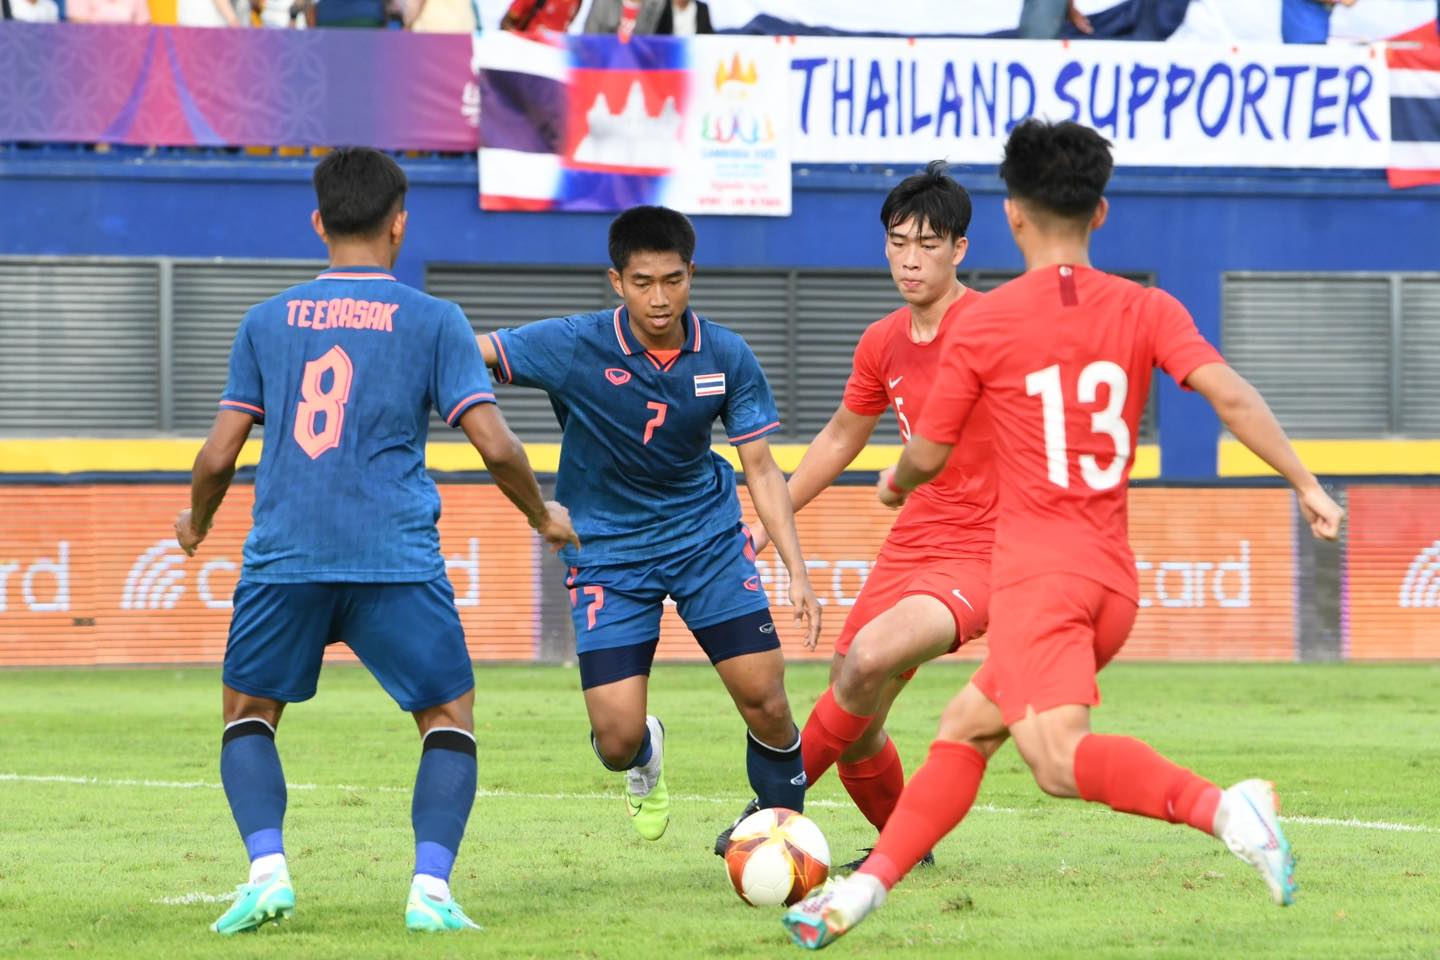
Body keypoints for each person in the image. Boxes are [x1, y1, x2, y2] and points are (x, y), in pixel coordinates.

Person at [781, 119, 1345, 949]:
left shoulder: (988, 322)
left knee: (1053, 761)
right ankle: (864, 890)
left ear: (1011, 216)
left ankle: (1228, 808)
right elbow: (1228, 395)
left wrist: (895, 483)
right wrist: (1304, 483)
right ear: (1102, 212)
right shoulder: (1147, 306)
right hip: (1111, 576)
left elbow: (926, 451)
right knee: (966, 729)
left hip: (1042, 576)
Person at [176, 147, 576, 937]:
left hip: (286, 556)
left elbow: (219, 454)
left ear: (319, 222)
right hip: (395, 558)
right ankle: (430, 888)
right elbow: (496, 446)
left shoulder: (265, 321)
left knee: (248, 712)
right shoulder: (434, 321)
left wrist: (195, 523)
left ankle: (266, 873)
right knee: (449, 717)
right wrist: (542, 516)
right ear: (400, 223)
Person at [476, 205, 822, 846]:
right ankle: (644, 756)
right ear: (616, 281)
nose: (659, 299)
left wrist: (796, 568)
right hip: (606, 549)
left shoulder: (726, 354)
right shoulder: (573, 343)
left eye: (673, 280)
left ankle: (783, 833)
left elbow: (762, 468)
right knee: (615, 739)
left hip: (705, 541)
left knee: (767, 698)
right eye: (642, 283)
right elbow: (472, 358)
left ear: (692, 273)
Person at [744, 162, 995, 869]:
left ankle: (766, 814)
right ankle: (907, 850)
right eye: (898, 241)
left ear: (960, 250)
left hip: (991, 545)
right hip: (917, 534)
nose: (911, 258)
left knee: (867, 660)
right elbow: (838, 439)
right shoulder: (882, 341)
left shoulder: (995, 327)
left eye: (928, 243)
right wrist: (770, 518)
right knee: (855, 716)